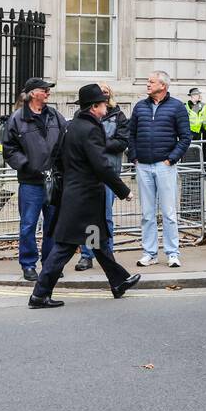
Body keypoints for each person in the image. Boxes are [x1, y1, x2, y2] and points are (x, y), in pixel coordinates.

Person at [29, 84, 140, 309]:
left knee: (96, 242)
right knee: (65, 248)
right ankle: (39, 295)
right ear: (93, 107)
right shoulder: (91, 129)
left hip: (76, 196)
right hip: (85, 200)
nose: (105, 109)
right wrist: (123, 190)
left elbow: (57, 158)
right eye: (102, 105)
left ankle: (118, 282)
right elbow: (102, 165)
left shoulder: (70, 126)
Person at [2, 78, 67, 282]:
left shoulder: (55, 116)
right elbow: (9, 150)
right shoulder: (17, 119)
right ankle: (28, 264)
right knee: (28, 225)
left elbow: (67, 139)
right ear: (32, 93)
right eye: (44, 90)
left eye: (48, 90)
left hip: (53, 180)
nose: (48, 93)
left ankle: (50, 263)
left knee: (52, 225)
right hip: (30, 182)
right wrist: (27, 165)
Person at [127, 70, 192, 267]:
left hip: (165, 166)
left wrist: (171, 160)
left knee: (169, 213)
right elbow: (131, 135)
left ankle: (172, 253)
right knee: (147, 214)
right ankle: (150, 253)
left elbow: (186, 137)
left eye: (151, 81)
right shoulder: (139, 107)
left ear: (162, 86)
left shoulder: (177, 107)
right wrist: (135, 158)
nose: (147, 84)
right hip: (143, 166)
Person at [77, 82, 129, 271]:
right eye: (100, 94)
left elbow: (122, 141)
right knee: (88, 217)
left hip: (108, 172)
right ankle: (87, 254)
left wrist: (98, 144)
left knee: (105, 217)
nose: (103, 97)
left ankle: (107, 253)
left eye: (106, 93)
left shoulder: (118, 115)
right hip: (88, 175)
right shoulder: (82, 116)